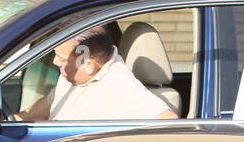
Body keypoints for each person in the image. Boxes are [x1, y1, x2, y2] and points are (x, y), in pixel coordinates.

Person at [17, 24, 178, 121]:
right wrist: (13, 120)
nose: (55, 62)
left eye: (62, 59)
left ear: (87, 65)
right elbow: (46, 107)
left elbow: (168, 121)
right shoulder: (71, 75)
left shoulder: (121, 86)